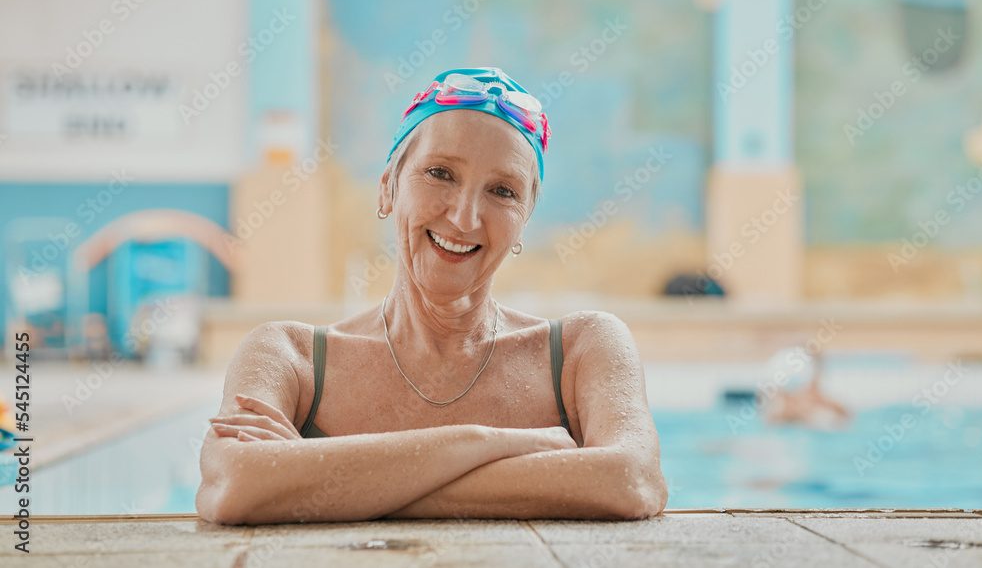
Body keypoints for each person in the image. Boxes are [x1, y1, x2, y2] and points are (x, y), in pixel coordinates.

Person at [196, 67, 669, 525]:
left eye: (502, 191)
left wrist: (321, 479)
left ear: (523, 219)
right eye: (440, 173)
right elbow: (232, 486)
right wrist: (484, 442)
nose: (464, 218)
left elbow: (632, 481)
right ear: (387, 189)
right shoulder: (288, 355)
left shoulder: (583, 349)